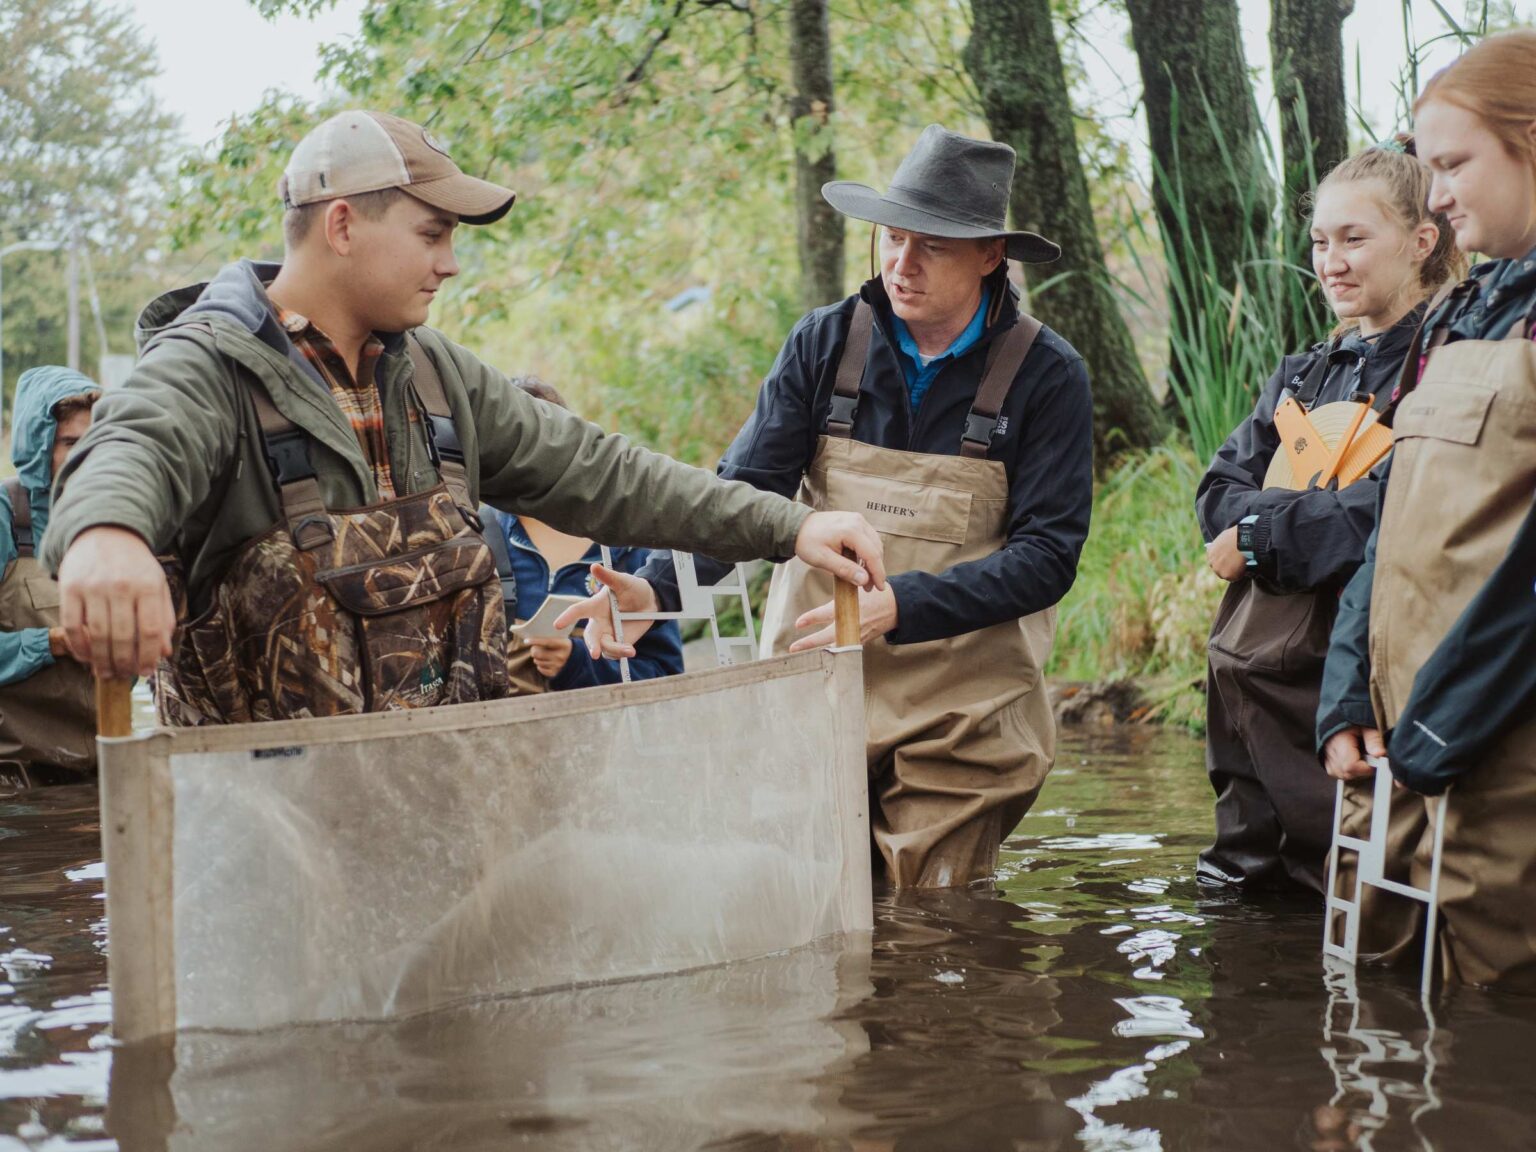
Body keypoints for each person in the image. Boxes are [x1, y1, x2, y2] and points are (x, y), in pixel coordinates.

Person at [40, 109, 883, 723]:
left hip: (451, 826)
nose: (448, 264)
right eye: (432, 233)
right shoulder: (204, 366)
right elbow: (129, 445)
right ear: (341, 225)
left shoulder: (439, 376)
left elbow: (606, 473)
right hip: (269, 864)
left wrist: (788, 527)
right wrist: (106, 535)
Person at [565, 125, 1094, 889]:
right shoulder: (823, 343)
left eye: (931, 246)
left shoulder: (1048, 375)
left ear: (989, 256)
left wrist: (898, 606)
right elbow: (745, 496)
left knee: (933, 920)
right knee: (808, 899)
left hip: (967, 712)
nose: (901, 264)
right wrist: (656, 589)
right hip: (816, 688)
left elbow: (1048, 560)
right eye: (891, 237)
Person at [1317, 29, 1536, 988]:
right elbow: (1394, 520)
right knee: (1370, 1013)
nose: (1436, 196)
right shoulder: (1464, 308)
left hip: (1498, 755)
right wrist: (1345, 696)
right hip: (1398, 750)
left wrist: (1443, 727)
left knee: (1492, 1038)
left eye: (1452, 164)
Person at [1195, 141, 1463, 893]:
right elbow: (1218, 488)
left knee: (1351, 878)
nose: (1331, 262)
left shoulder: (1446, 364)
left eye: (1354, 239)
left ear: (1422, 241)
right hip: (1247, 672)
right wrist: (1275, 518)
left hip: (1354, 675)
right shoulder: (1303, 371)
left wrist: (1259, 533)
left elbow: (1399, 505)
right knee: (1241, 885)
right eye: (1320, 241)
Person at [479, 377, 682, 694]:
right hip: (508, 738)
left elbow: (666, 675)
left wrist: (576, 664)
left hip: (608, 737)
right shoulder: (480, 540)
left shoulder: (626, 544)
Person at [0, 368, 101, 788]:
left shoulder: (109, 527)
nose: (86, 457)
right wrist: (54, 643)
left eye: (95, 443)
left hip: (95, 779)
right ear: (38, 445)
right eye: (71, 443)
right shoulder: (7, 515)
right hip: (12, 788)